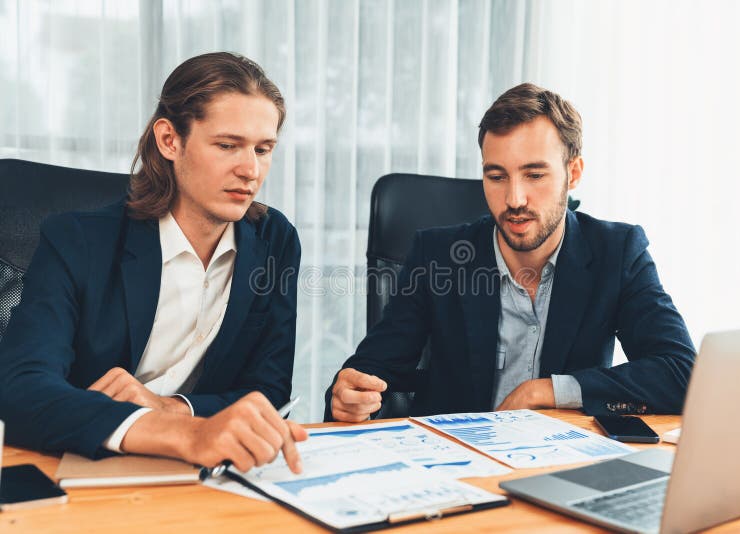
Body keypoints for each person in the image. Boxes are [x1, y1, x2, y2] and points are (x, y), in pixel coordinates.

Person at [0, 52, 306, 473]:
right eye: (227, 145)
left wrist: (171, 409)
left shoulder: (276, 240)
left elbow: (269, 394)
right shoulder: (77, 240)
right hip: (83, 460)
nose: (250, 170)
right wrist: (183, 433)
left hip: (207, 474)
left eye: (263, 148)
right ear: (169, 141)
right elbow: (20, 389)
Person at [326, 83, 695, 422]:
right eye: (497, 176)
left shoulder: (618, 252)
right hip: (458, 465)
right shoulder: (436, 256)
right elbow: (369, 369)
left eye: (534, 175)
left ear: (574, 172)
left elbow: (682, 373)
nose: (514, 199)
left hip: (562, 464)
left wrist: (546, 390)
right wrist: (347, 395)